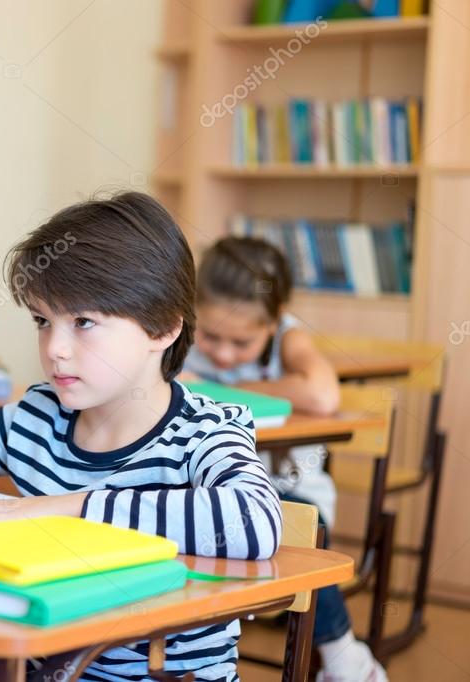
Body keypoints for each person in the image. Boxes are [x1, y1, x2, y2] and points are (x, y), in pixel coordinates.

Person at [0, 192, 282, 681]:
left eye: (84, 323)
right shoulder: (39, 416)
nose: (55, 349)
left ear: (162, 327)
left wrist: (65, 508)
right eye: (43, 321)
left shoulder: (203, 432)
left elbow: (254, 519)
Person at [183, 236, 387, 682]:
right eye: (211, 336)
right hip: (211, 497)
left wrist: (217, 394)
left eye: (241, 342)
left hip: (292, 493)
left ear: (273, 322)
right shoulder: (181, 331)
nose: (221, 352)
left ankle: (343, 656)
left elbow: (320, 392)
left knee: (295, 535)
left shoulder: (287, 340)